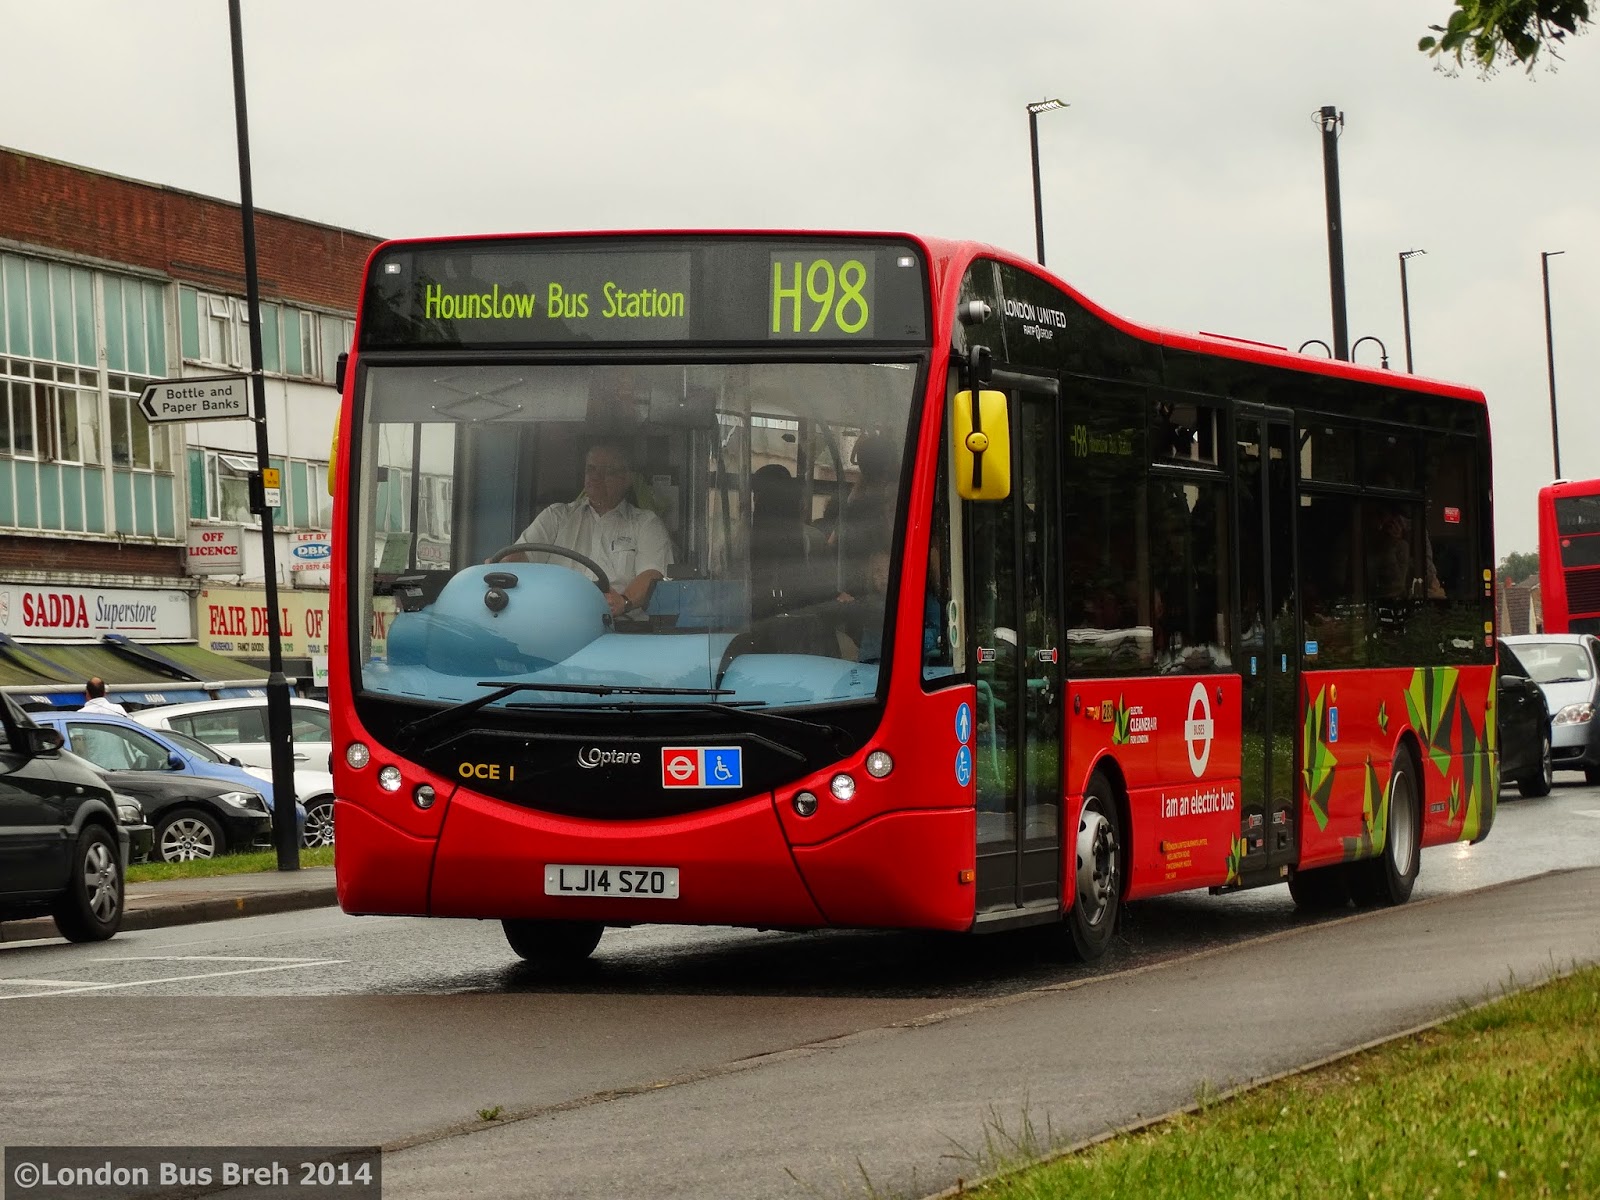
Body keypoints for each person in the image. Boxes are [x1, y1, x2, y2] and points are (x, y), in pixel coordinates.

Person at [512, 441, 674, 618]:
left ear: (627, 478)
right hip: (554, 622)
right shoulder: (555, 516)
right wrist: (503, 564)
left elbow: (652, 574)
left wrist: (623, 601)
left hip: (621, 629)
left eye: (607, 471)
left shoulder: (646, 523)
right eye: (591, 469)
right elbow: (521, 556)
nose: (596, 477)